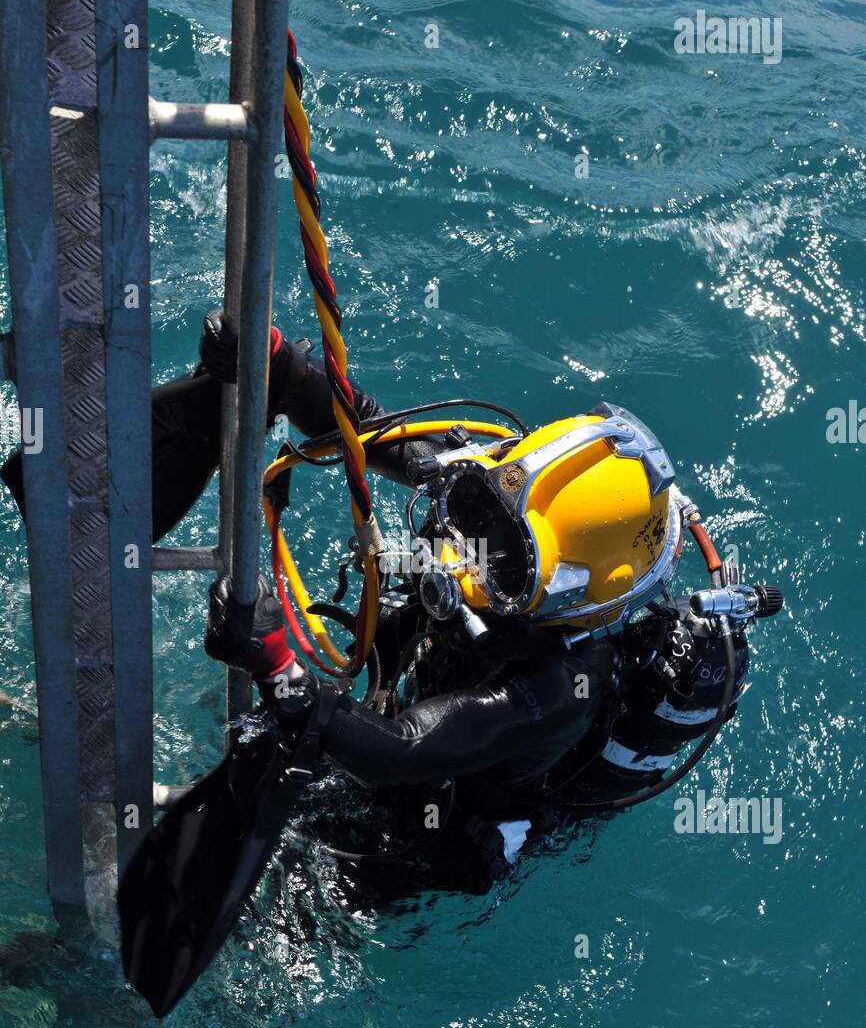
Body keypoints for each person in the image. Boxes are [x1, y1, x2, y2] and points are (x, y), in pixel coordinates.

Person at [1, 311, 775, 896]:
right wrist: (293, 378)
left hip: (430, 812)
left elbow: (401, 749)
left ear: (567, 601)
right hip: (411, 700)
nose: (467, 556)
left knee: (304, 898)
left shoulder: (561, 692)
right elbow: (378, 436)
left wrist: (277, 660)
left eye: (507, 565)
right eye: (477, 512)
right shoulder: (502, 502)